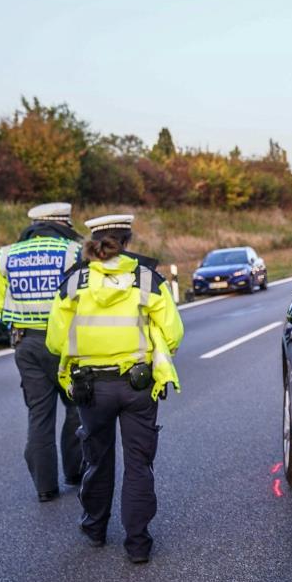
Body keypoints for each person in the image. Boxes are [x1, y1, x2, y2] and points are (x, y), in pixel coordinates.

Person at [46, 215, 184, 563]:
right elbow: (173, 334)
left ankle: (95, 527)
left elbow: (54, 340)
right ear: (127, 239)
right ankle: (138, 544)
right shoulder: (147, 278)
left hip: (90, 387)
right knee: (139, 464)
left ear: (95, 241)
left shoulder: (74, 281)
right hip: (138, 385)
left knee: (97, 458)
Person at [0, 202, 84, 502]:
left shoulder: (7, 254)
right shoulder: (72, 251)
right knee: (76, 407)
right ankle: (75, 471)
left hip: (26, 344)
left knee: (39, 415)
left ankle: (45, 488)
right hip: (67, 343)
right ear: (62, 222)